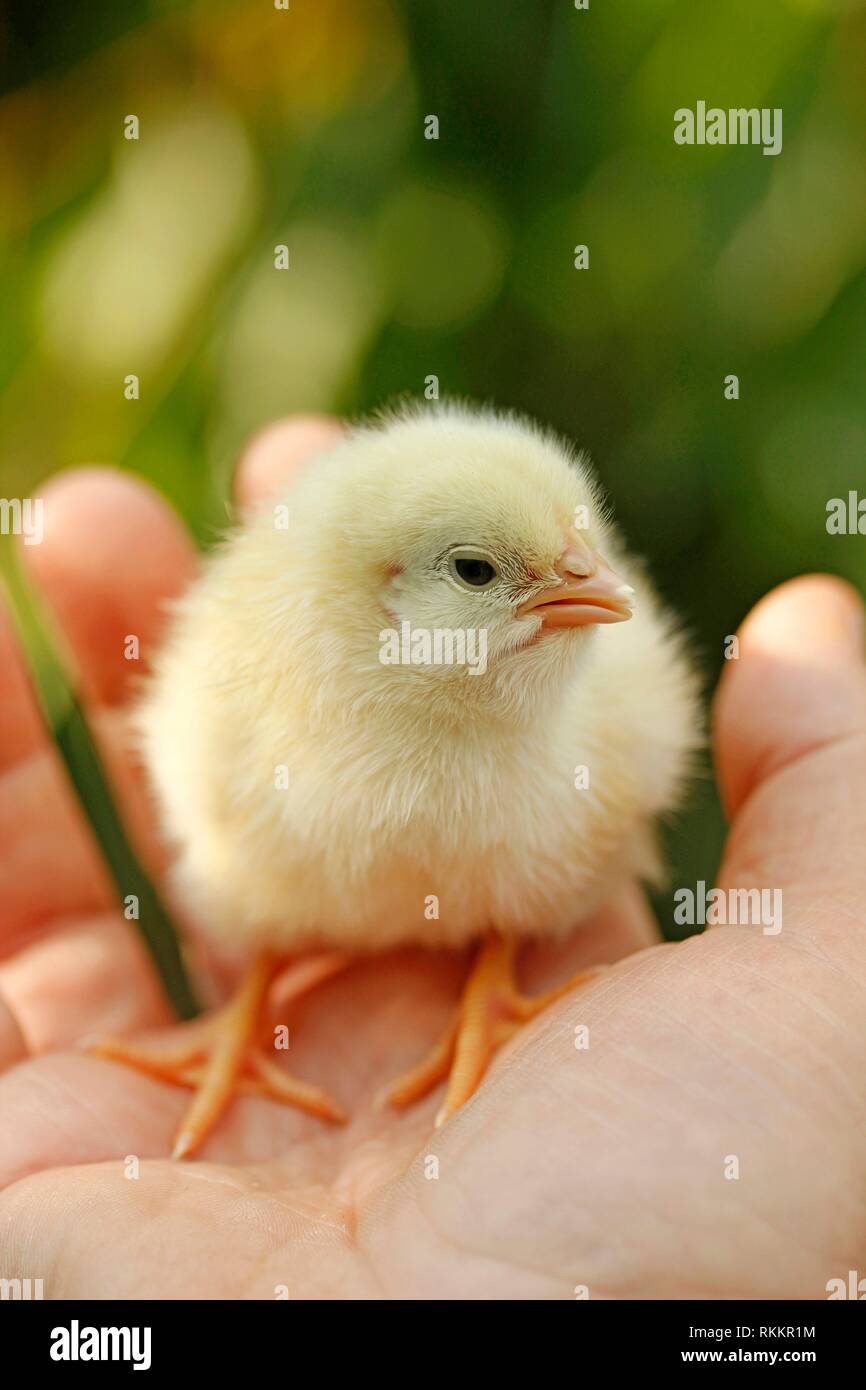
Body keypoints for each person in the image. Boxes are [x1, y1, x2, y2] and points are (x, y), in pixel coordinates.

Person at [1, 418, 863, 1300]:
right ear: (378, 597)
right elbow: (202, 805)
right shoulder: (248, 707)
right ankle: (248, 1010)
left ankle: (491, 968)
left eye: (581, 546)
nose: (593, 584)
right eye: (482, 572)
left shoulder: (600, 720)